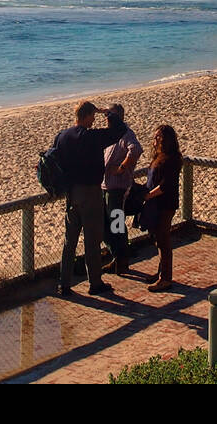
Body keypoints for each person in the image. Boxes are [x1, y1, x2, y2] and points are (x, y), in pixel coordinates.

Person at [53, 101, 129, 297]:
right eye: (93, 117)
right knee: (92, 240)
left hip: (71, 194)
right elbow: (120, 130)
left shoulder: (62, 136)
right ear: (87, 116)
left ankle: (64, 284)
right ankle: (94, 283)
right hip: (91, 193)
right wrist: (107, 113)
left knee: (69, 241)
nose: (94, 121)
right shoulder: (92, 137)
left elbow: (53, 159)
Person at [100, 104, 143, 276]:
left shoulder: (126, 133)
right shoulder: (110, 134)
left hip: (118, 190)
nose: (108, 118)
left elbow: (136, 150)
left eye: (111, 115)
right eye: (107, 115)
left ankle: (122, 260)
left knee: (117, 225)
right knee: (104, 226)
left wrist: (121, 168)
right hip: (105, 187)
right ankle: (117, 256)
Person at [142, 125, 183, 293]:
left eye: (159, 137)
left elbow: (165, 185)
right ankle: (161, 273)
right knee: (158, 238)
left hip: (165, 204)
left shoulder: (172, 159)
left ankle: (166, 278)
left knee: (164, 240)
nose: (156, 140)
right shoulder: (158, 156)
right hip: (156, 203)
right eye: (155, 137)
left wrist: (148, 196)